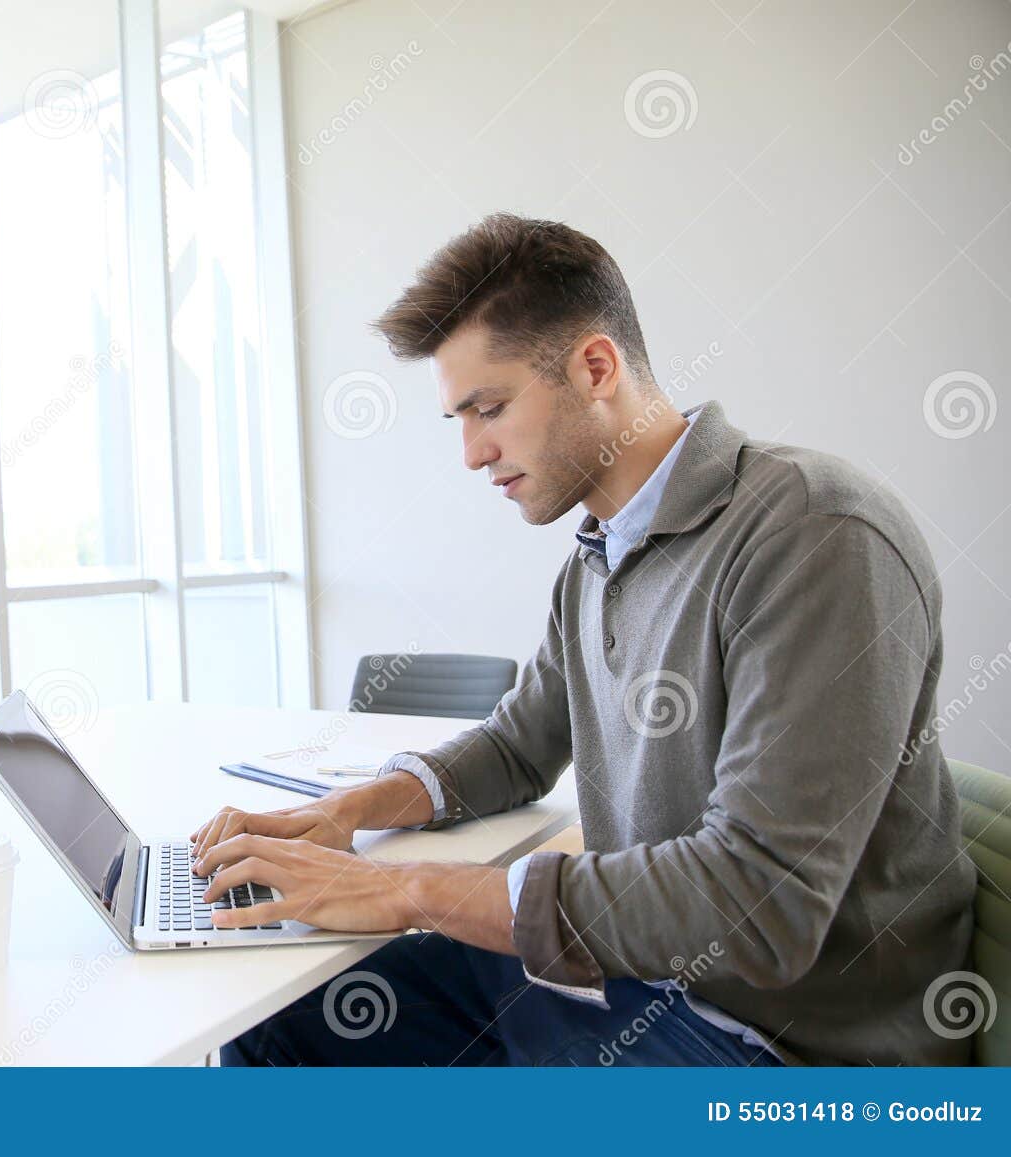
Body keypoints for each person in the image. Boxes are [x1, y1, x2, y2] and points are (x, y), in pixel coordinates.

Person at [191, 213, 976, 1066]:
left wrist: (404, 889)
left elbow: (763, 904)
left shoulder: (815, 534)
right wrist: (341, 815)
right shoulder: (599, 559)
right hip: (633, 984)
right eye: (458, 418)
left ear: (596, 367)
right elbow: (518, 746)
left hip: (781, 1051)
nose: (471, 452)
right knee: (279, 1026)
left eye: (488, 409)